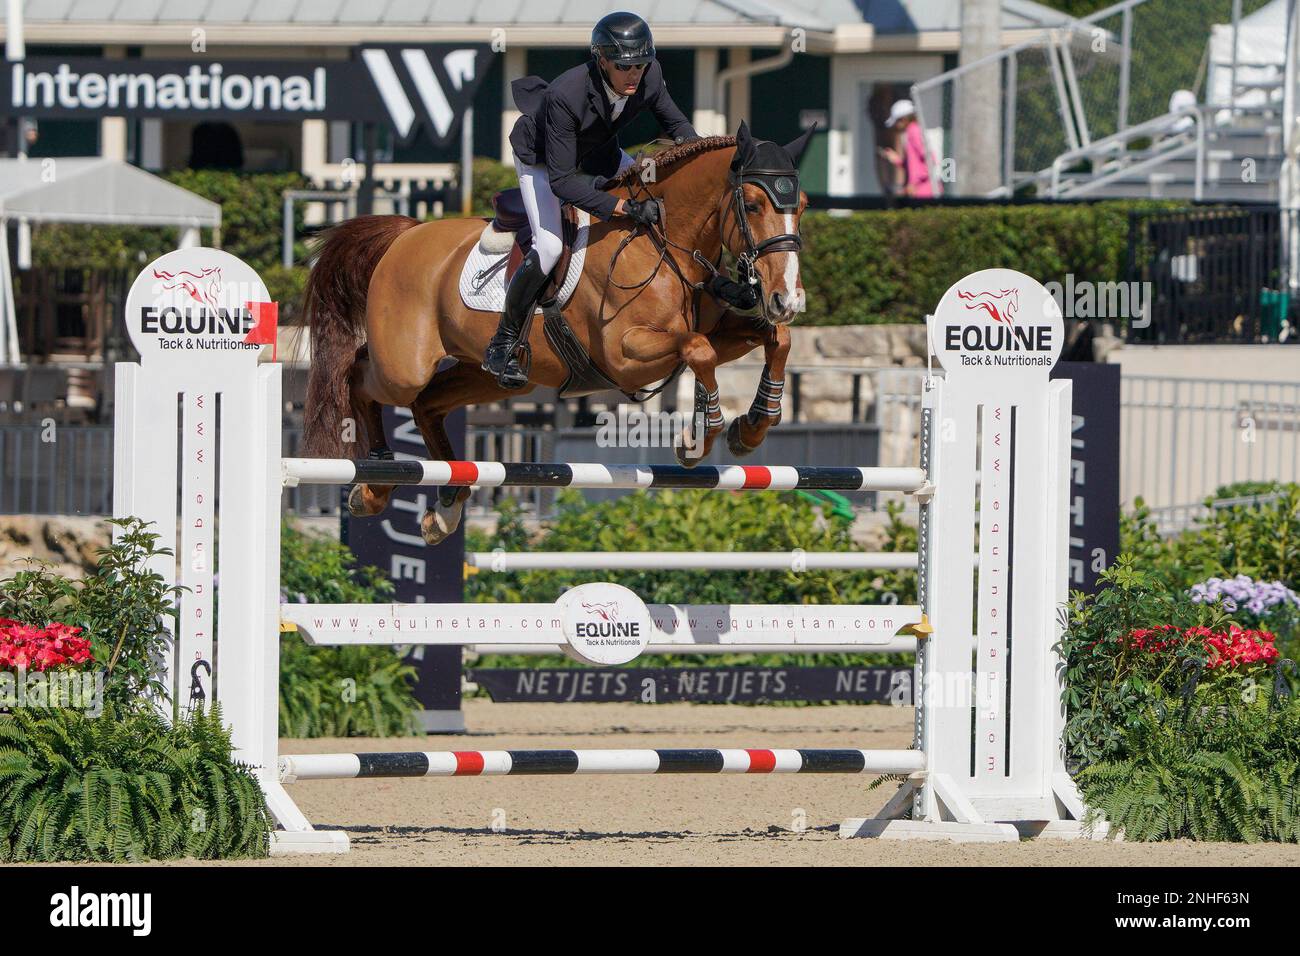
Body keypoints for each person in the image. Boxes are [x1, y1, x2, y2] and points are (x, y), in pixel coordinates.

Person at [485, 11, 699, 389]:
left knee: (659, 202)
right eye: (624, 66)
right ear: (601, 60)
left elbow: (679, 129)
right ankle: (502, 342)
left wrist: (703, 160)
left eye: (641, 64)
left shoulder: (650, 76)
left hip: (599, 148)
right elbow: (564, 181)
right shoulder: (566, 94)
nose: (634, 74)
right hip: (543, 160)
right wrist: (623, 207)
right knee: (550, 245)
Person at [877, 99, 936, 199]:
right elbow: (916, 164)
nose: (896, 126)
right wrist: (898, 160)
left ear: (904, 119)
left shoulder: (913, 130)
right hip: (919, 191)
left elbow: (930, 159)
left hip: (924, 192)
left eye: (897, 121)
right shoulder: (911, 131)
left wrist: (915, 184)